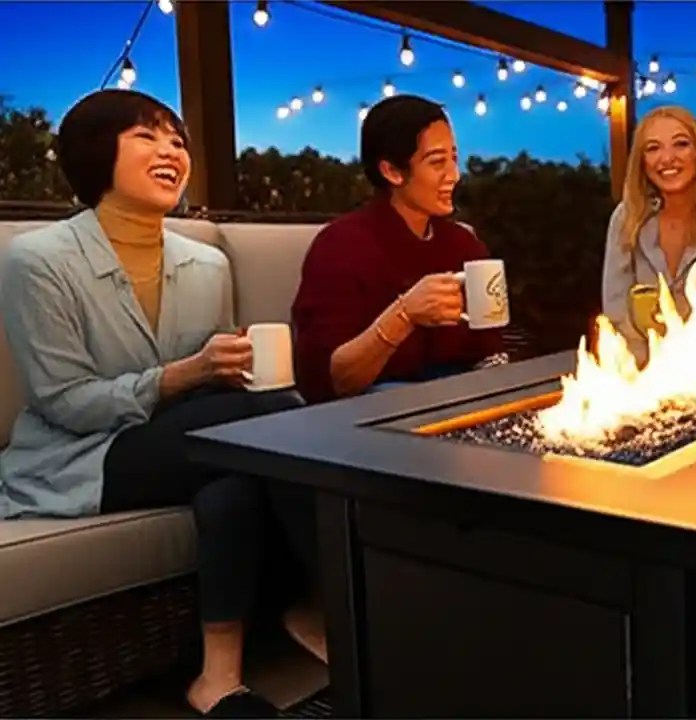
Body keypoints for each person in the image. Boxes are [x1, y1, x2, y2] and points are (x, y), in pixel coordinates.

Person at [0, 89, 322, 718]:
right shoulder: (38, 261)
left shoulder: (204, 263)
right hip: (80, 456)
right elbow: (64, 402)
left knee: (235, 473)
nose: (172, 149)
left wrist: (227, 373)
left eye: (176, 138)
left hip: (180, 439)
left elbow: (211, 385)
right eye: (147, 136)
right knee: (276, 417)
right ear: (97, 155)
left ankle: (218, 680)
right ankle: (331, 599)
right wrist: (182, 376)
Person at [291, 95, 507, 403]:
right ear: (392, 172)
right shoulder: (341, 247)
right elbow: (325, 381)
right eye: (436, 162)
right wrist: (405, 314)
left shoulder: (463, 243)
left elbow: (490, 347)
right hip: (376, 410)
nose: (454, 175)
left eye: (453, 159)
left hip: (462, 398)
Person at [601, 105, 696, 362]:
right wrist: (644, 375)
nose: (667, 158)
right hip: (640, 373)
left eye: (681, 144)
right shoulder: (626, 217)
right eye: (653, 148)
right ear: (642, 162)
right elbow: (617, 314)